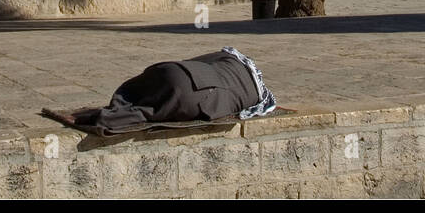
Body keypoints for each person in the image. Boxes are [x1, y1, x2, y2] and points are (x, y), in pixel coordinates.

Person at [69, 47, 277, 134]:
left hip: (178, 71)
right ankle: (105, 118)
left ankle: (115, 106)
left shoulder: (231, 57)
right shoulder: (260, 99)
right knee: (148, 112)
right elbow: (243, 114)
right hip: (200, 99)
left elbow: (195, 61)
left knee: (133, 90)